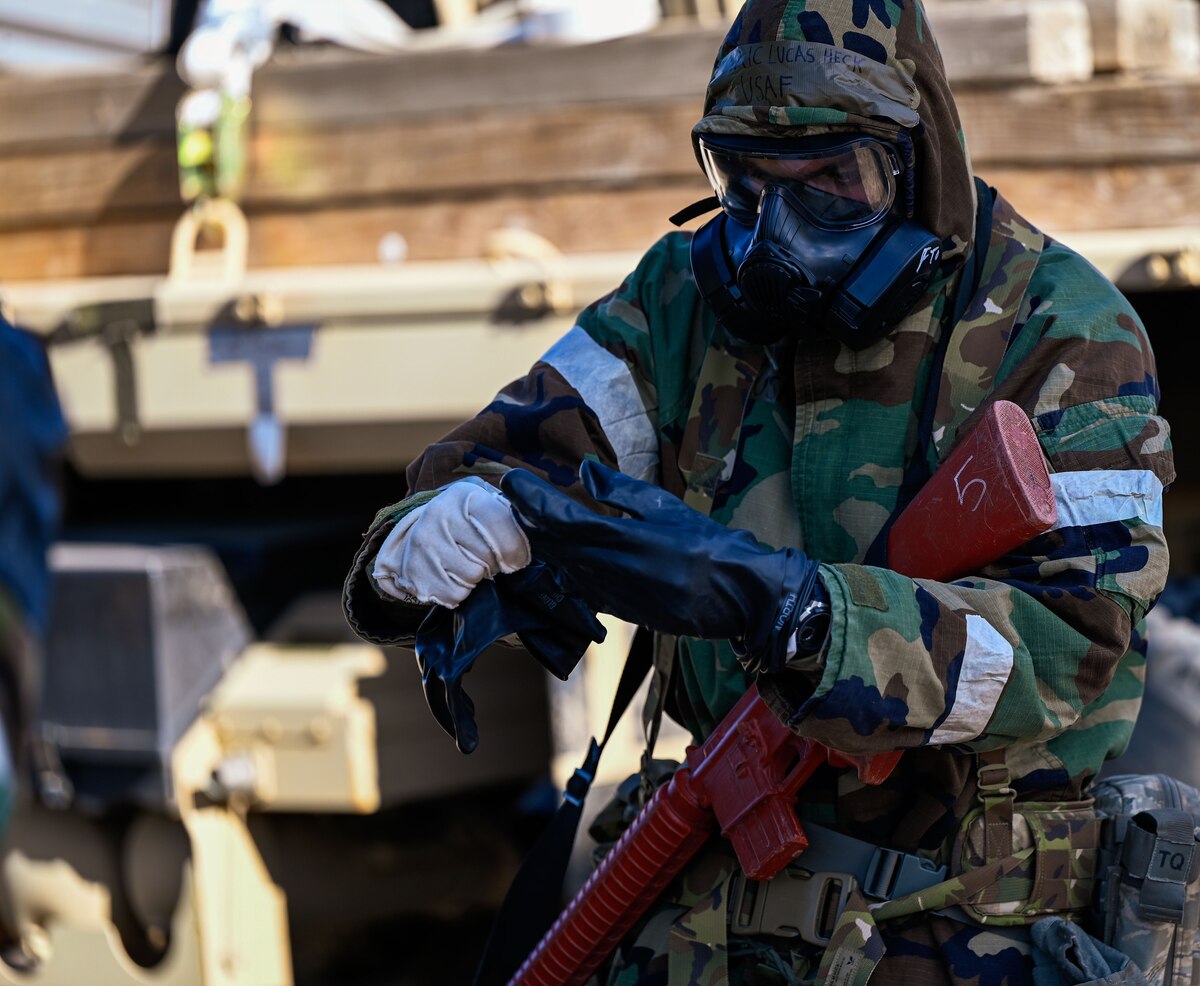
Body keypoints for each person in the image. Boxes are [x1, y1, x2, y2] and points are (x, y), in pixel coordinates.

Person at [344, 1, 1173, 982]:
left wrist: (804, 615)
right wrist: (447, 531)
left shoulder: (1060, 327)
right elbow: (497, 458)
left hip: (954, 931)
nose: (778, 236)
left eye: (832, 182)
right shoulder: (682, 296)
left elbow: (1072, 643)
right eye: (745, 184)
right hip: (708, 916)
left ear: (919, 167)